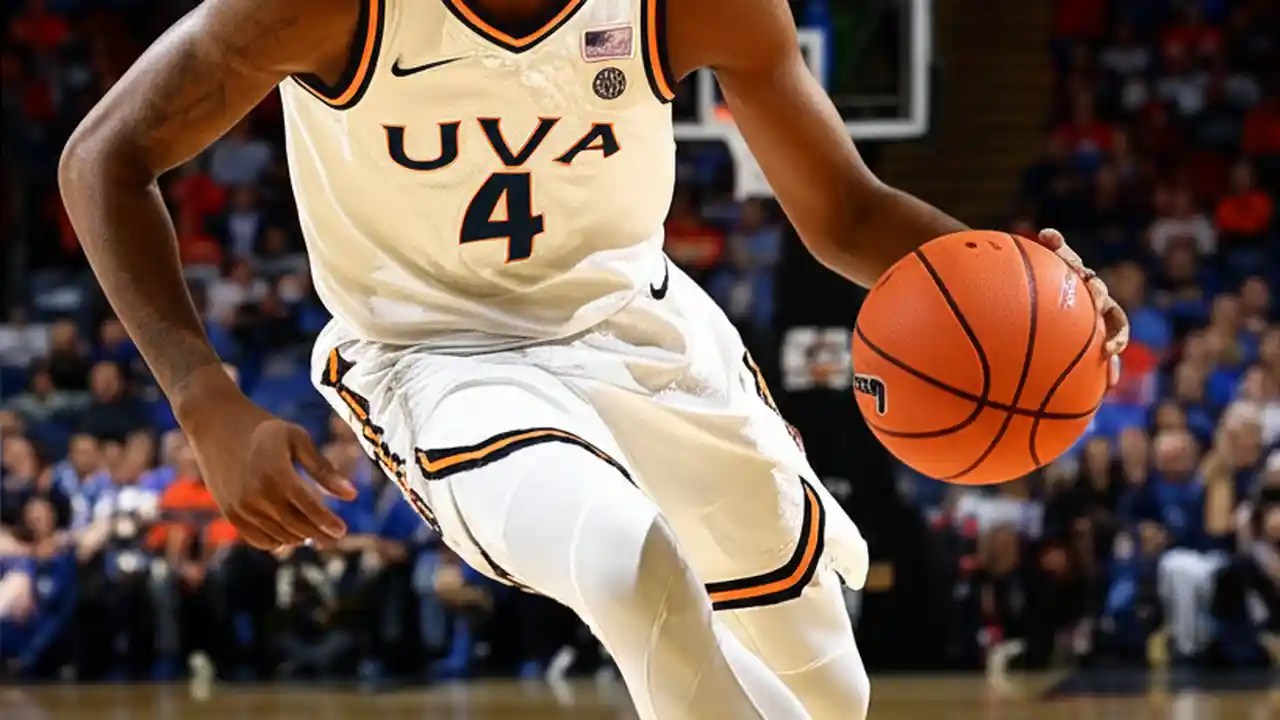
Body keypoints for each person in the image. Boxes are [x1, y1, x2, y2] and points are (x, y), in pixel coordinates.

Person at [59, 1, 1131, 717]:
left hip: (645, 329)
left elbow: (843, 209)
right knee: (627, 565)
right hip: (439, 355)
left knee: (829, 693)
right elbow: (104, 156)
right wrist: (204, 398)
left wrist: (1023, 293)